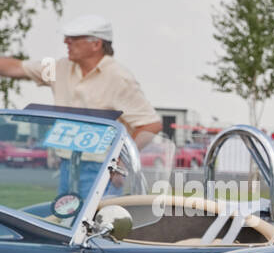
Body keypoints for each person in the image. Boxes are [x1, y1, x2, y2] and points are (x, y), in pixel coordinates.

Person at [0, 14, 162, 199]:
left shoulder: (119, 77)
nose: (66, 41)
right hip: (68, 163)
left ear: (97, 44)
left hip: (101, 168)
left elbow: (150, 125)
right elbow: (17, 68)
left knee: (96, 224)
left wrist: (120, 163)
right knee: (64, 221)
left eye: (75, 38)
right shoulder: (61, 67)